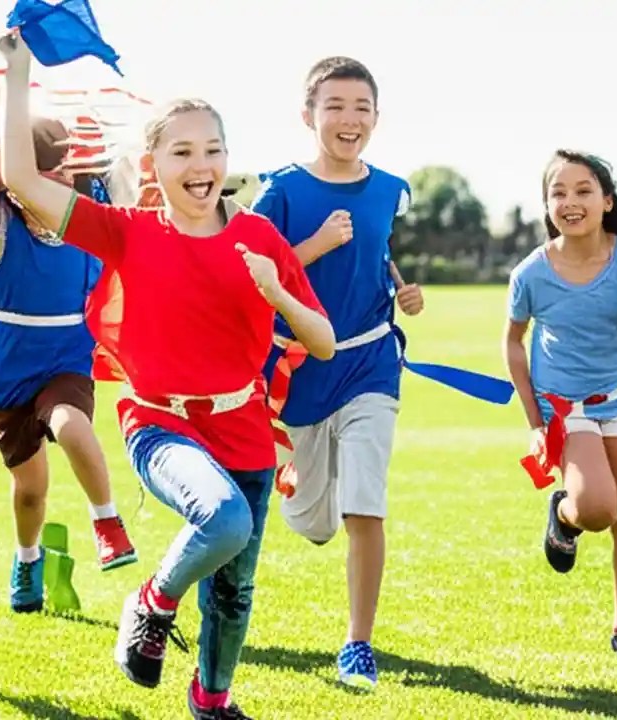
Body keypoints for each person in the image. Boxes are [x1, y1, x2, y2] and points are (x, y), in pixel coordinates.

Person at [0, 29, 335, 720]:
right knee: (222, 518)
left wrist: (280, 296)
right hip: (161, 422)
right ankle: (151, 604)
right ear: (153, 162)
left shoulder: (260, 239)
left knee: (235, 590)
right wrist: (17, 74)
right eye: (181, 151)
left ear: (227, 160)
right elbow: (22, 181)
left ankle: (212, 700)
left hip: (242, 422)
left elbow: (323, 342)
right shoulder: (129, 231)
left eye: (212, 149)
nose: (200, 164)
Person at [250, 55, 422, 690]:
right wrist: (314, 246)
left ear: (377, 117)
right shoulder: (282, 191)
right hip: (300, 375)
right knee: (315, 522)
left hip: (372, 363)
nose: (350, 120)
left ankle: (358, 645)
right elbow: (251, 276)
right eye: (336, 107)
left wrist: (402, 289)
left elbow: (376, 251)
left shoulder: (390, 188)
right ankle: (297, 497)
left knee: (365, 504)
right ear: (308, 115)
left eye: (362, 108)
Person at [0, 70, 137, 614]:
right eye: (47, 171)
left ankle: (106, 520)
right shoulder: (1, 225)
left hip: (68, 354)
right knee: (30, 489)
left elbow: (128, 181)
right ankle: (28, 557)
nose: (60, 180)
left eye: (67, 171)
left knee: (71, 422)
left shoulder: (88, 218)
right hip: (10, 364)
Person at [504, 150, 617, 663]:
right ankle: (565, 511)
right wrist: (536, 421)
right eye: (558, 192)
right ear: (547, 204)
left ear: (606, 201)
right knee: (599, 507)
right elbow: (513, 343)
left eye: (583, 191)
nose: (570, 202)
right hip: (565, 404)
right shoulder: (531, 273)